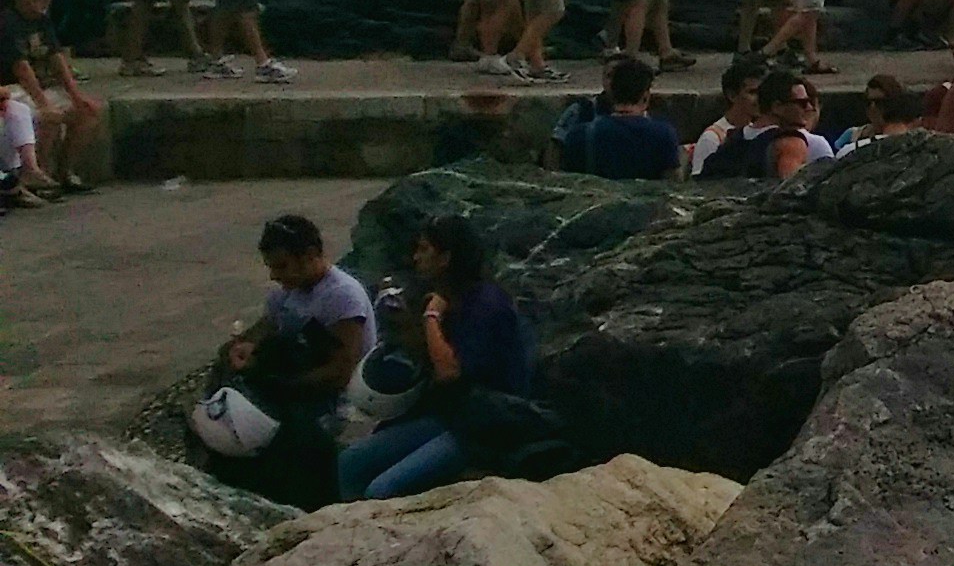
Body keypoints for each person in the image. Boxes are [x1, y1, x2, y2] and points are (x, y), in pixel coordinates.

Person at [337, 215, 530, 501]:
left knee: (382, 490)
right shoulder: (450, 295)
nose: (416, 258)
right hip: (447, 415)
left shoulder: (486, 304)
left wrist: (431, 316)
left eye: (424, 250)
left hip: (483, 426)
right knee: (350, 462)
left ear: (446, 258)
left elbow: (449, 371)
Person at [223, 214, 374, 479]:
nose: (274, 276)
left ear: (311, 255)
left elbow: (341, 372)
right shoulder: (286, 292)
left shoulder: (341, 297)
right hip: (302, 384)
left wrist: (281, 386)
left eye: (282, 266)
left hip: (341, 403)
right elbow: (266, 329)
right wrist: (245, 348)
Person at [4, 0, 102, 194]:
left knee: (87, 113)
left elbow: (56, 57)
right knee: (50, 117)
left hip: (42, 85)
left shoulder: (43, 21)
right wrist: (42, 103)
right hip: (14, 88)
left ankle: (64, 172)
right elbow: (20, 68)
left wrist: (77, 96)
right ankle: (39, 174)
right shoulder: (9, 23)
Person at [573, 58, 683, 179]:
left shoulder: (580, 134)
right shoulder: (664, 134)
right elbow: (673, 182)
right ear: (645, 97)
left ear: (612, 93)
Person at [689, 60, 777, 178]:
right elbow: (699, 183)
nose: (760, 99)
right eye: (752, 92)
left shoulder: (760, 130)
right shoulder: (712, 138)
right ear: (732, 95)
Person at [762, 70, 839, 178]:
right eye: (802, 103)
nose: (809, 108)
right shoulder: (794, 143)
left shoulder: (737, 138)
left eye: (810, 102)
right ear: (777, 107)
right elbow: (789, 187)